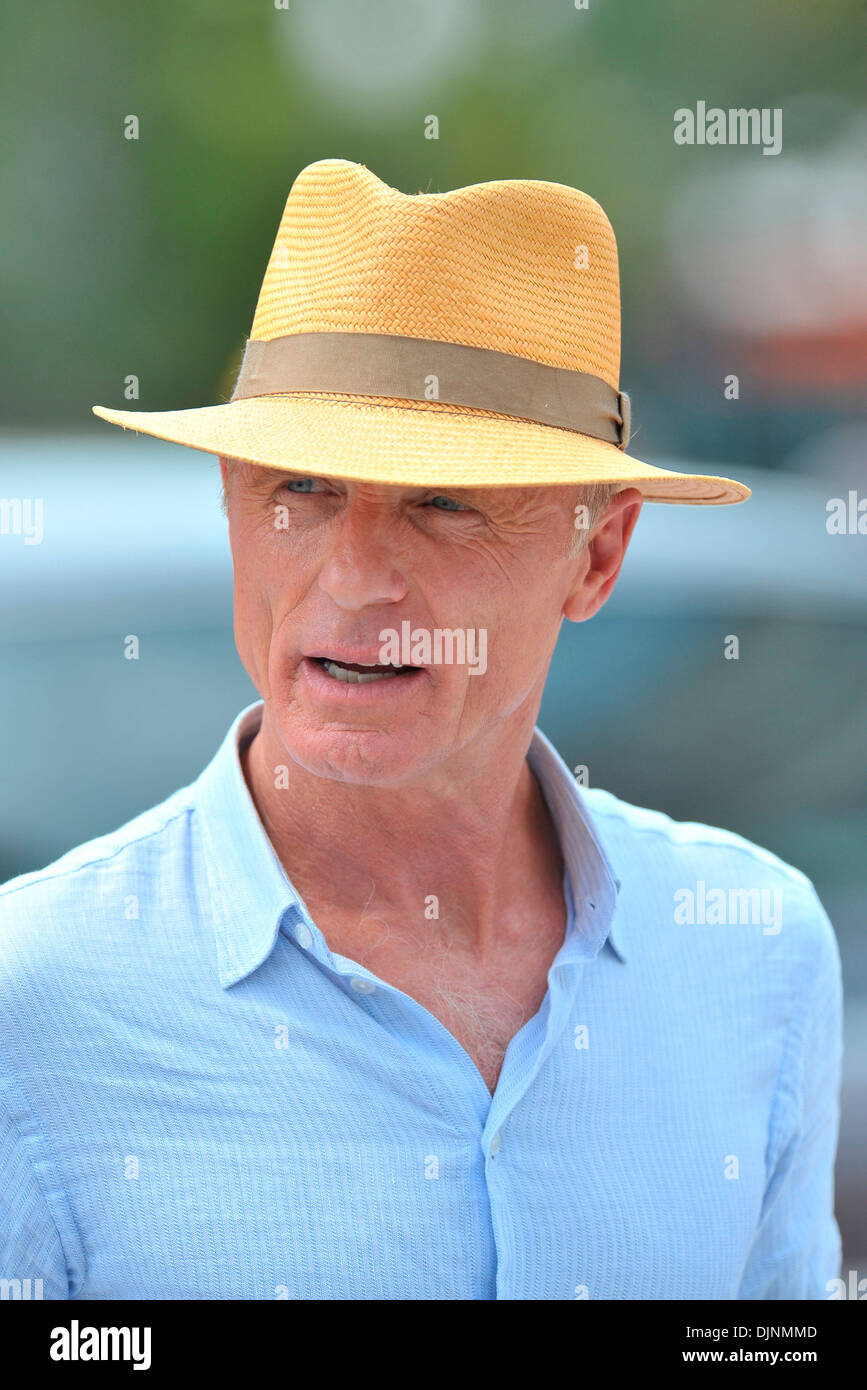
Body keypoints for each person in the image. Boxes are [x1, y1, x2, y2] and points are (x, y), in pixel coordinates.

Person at [0, 159, 841, 1300]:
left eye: (443, 504)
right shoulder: (34, 996)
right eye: (298, 488)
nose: (352, 577)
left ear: (597, 554)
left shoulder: (757, 952)